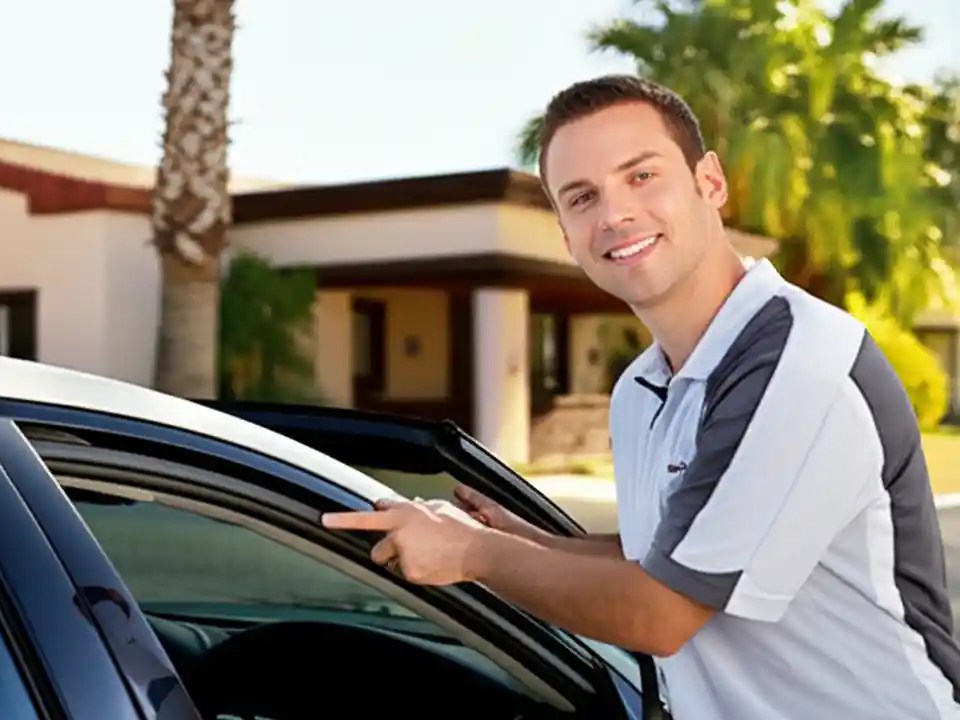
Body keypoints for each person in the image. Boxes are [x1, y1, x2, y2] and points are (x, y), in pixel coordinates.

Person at [322, 74, 960, 719]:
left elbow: (660, 612)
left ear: (709, 183)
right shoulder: (641, 388)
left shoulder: (796, 363)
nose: (615, 214)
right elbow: (667, 556)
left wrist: (472, 554)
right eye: (581, 197)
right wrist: (528, 540)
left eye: (641, 176)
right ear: (567, 238)